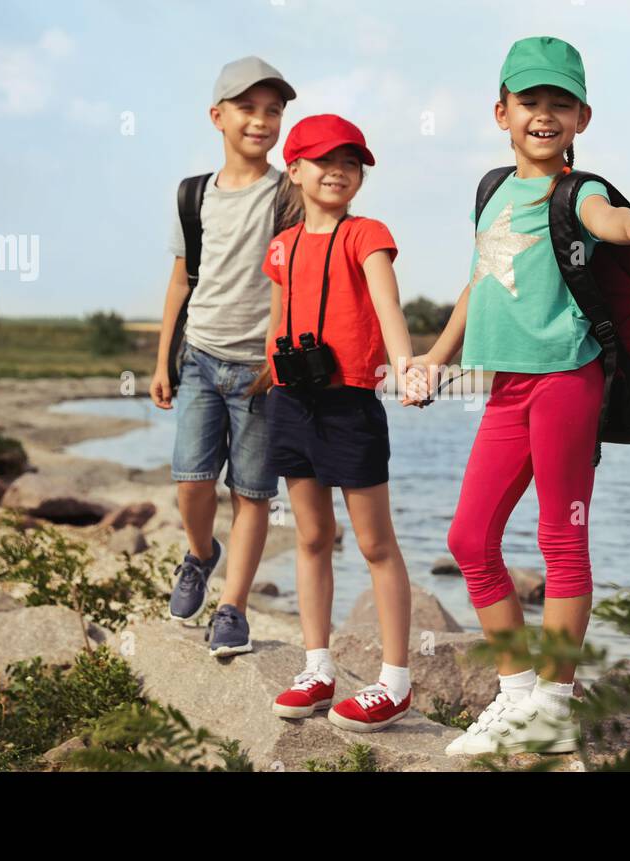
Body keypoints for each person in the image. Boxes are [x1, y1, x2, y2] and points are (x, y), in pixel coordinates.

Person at [413, 36, 630, 754]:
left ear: (582, 118)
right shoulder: (491, 189)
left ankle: (555, 704)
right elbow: (479, 280)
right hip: (505, 387)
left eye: (560, 103)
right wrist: (434, 358)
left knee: (562, 538)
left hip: (567, 378)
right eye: (530, 101)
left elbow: (609, 222)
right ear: (501, 111)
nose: (544, 114)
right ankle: (519, 693)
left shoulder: (580, 190)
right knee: (470, 538)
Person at [262, 115, 426, 731]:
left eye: (352, 162)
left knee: (375, 543)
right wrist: (266, 381)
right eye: (326, 159)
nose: (339, 170)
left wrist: (407, 366)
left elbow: (388, 306)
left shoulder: (367, 234)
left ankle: (395, 681)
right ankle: (318, 668)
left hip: (350, 403)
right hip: (289, 402)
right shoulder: (280, 245)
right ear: (296, 169)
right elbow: (277, 320)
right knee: (310, 538)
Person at [150, 56, 297, 657]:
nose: (261, 122)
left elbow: (298, 274)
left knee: (254, 493)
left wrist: (280, 354)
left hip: (262, 372)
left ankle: (233, 609)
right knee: (191, 481)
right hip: (201, 359)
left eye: (273, 112)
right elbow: (180, 281)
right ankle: (201, 555)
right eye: (247, 109)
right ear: (218, 116)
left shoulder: (289, 192)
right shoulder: (193, 195)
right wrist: (162, 361)